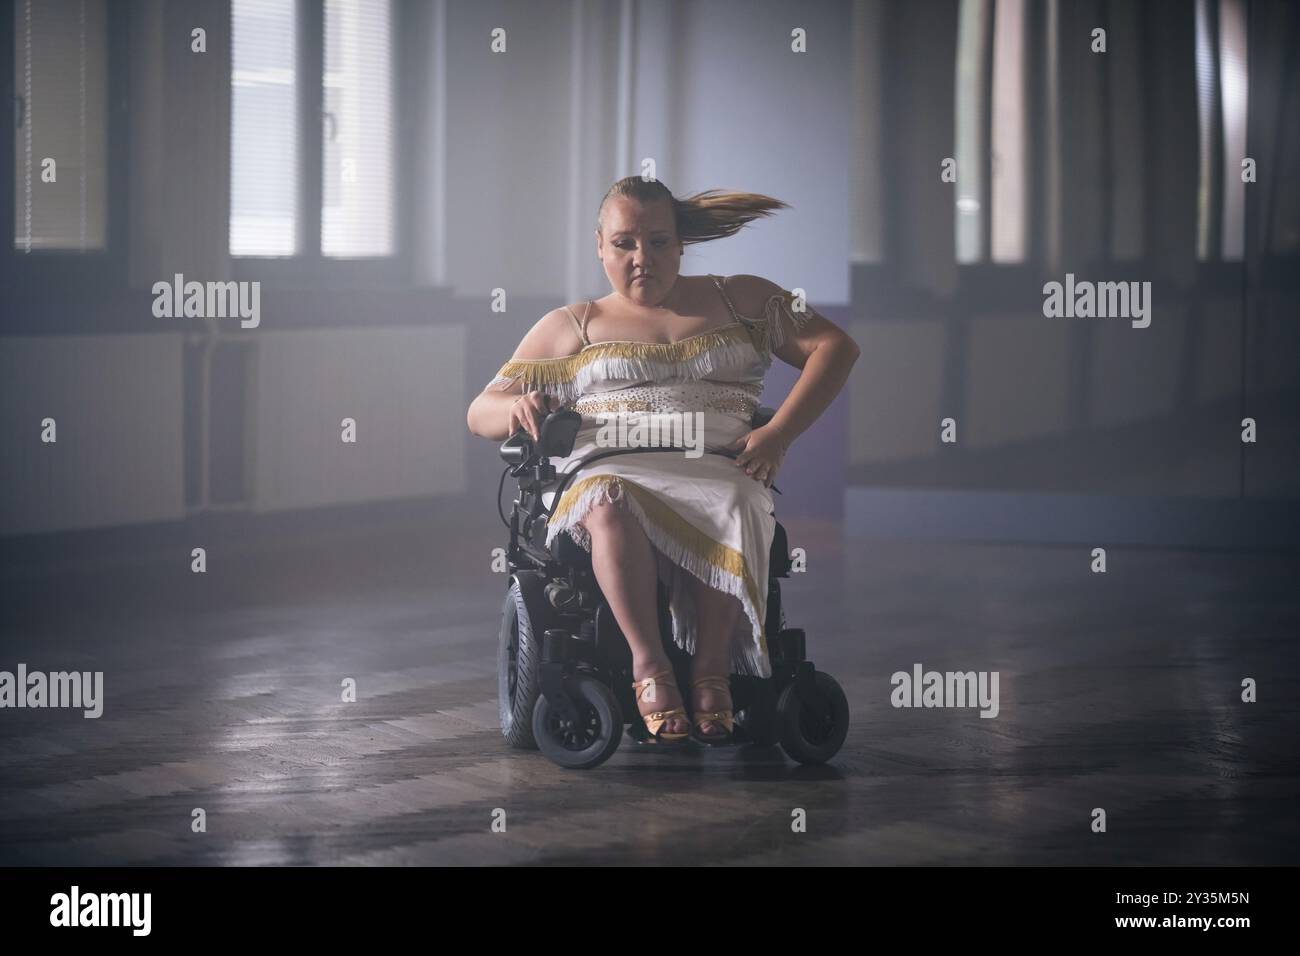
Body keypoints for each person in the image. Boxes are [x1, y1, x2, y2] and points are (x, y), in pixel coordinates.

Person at [467, 177, 860, 745]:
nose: (641, 258)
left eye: (657, 243)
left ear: (680, 246)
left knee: (734, 498)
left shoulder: (742, 298)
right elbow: (480, 410)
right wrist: (518, 406)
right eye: (624, 244)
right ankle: (649, 669)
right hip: (608, 466)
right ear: (600, 246)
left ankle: (711, 674)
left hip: (719, 467)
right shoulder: (572, 325)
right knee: (607, 500)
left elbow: (836, 348)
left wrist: (778, 434)